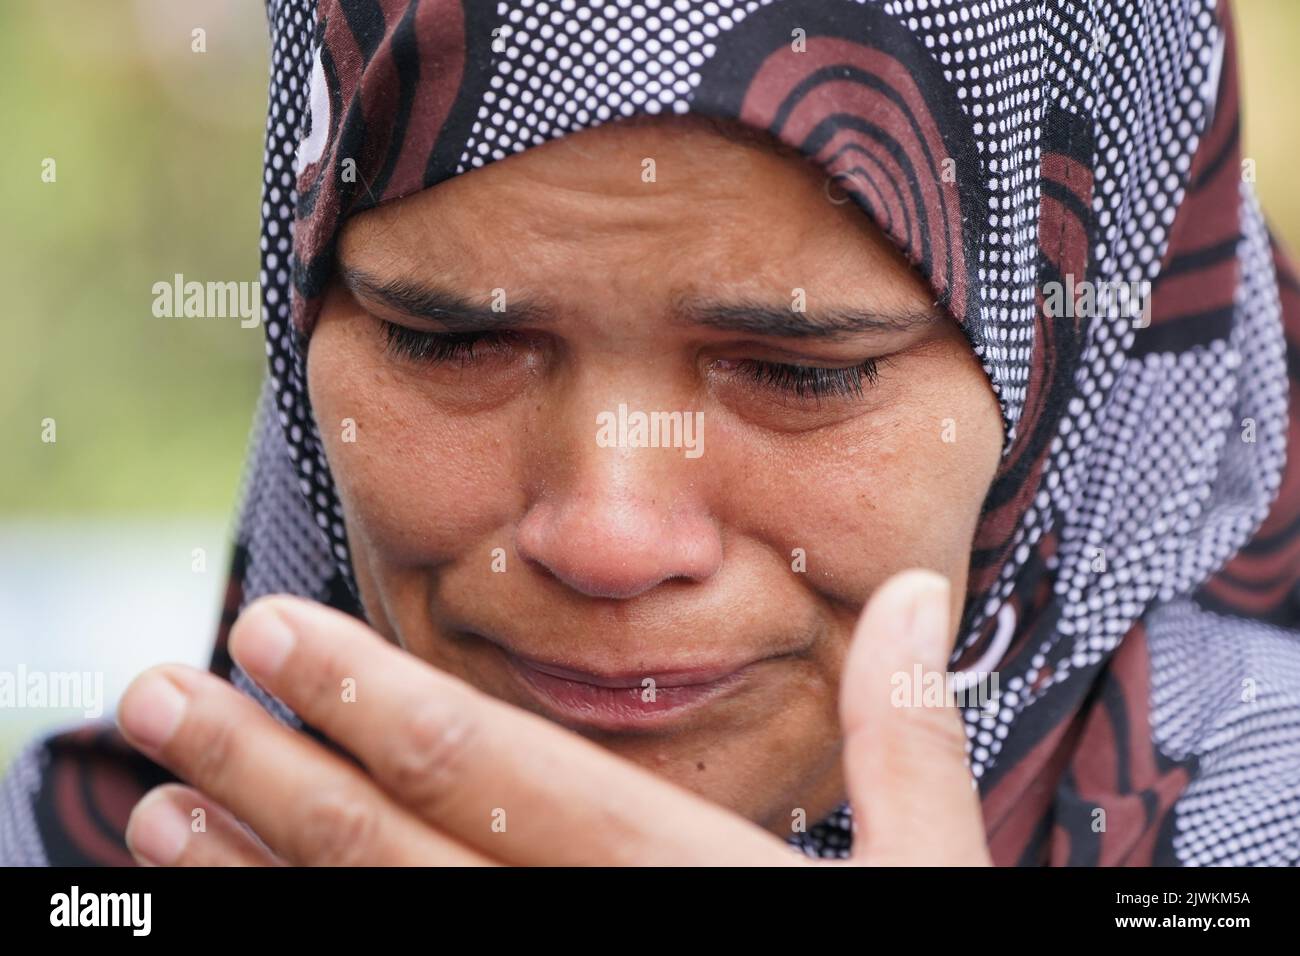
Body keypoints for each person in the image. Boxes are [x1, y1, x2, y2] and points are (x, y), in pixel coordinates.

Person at [2, 0, 1297, 866]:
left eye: (801, 370)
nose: (609, 537)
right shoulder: (92, 853)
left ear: (1072, 368)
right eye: (448, 341)